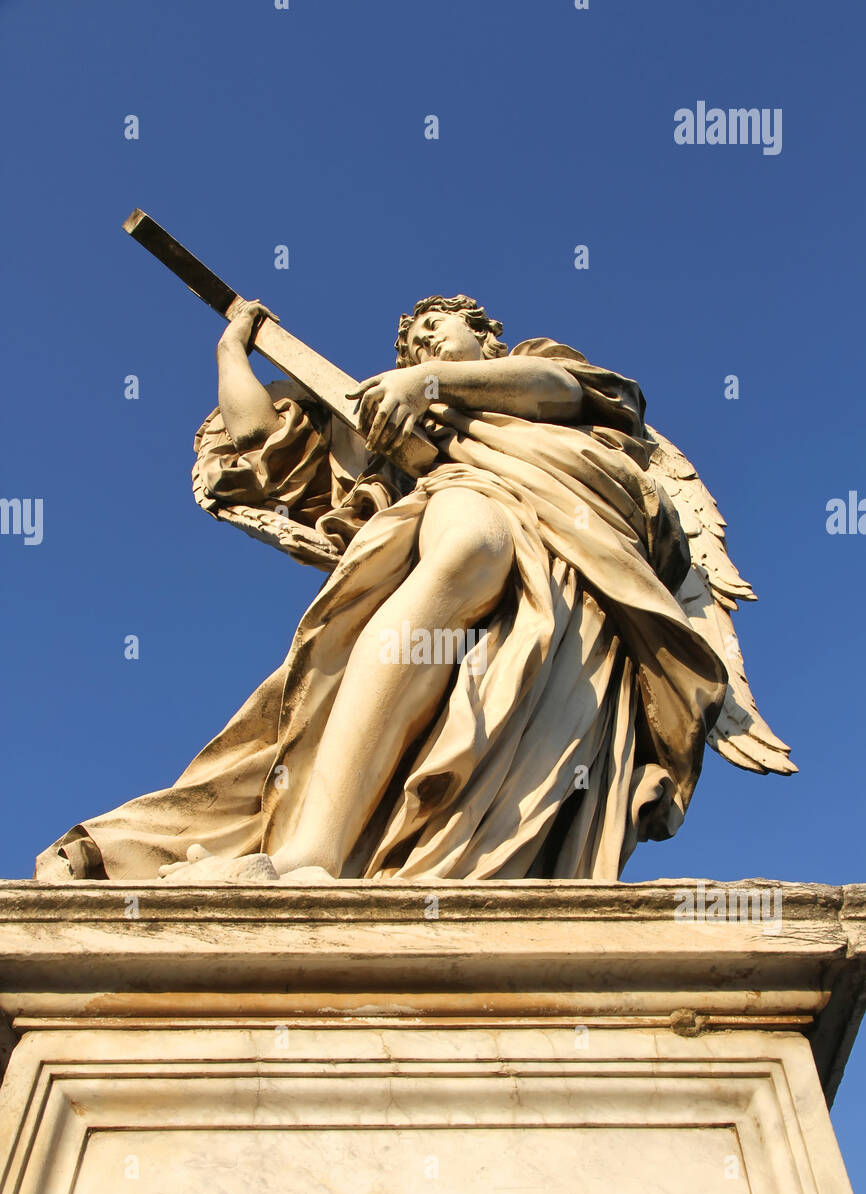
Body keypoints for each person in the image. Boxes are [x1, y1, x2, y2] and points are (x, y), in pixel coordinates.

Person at [35, 294, 727, 884]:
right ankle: (312, 852)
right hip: (466, 518)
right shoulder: (396, 430)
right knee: (469, 540)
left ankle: (366, 858)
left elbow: (563, 387)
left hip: (584, 590)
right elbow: (257, 436)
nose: (421, 342)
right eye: (410, 344)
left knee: (528, 785)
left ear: (486, 336)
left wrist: (429, 382)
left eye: (437, 327)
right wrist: (231, 349)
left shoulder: (539, 379)